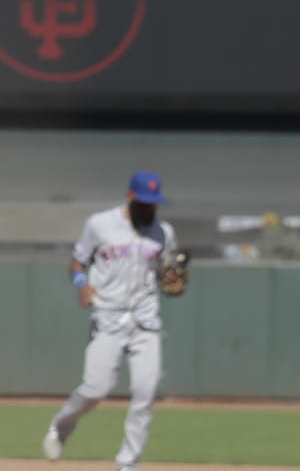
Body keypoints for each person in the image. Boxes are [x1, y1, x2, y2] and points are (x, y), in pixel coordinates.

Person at [43, 171, 181, 471]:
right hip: (108, 316)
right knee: (94, 390)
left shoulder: (164, 233)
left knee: (145, 396)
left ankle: (127, 464)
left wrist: (174, 278)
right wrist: (82, 284)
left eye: (154, 203)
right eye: (145, 202)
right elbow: (77, 262)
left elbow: (170, 274)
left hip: (146, 321)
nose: (150, 208)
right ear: (131, 197)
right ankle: (61, 425)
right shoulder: (99, 224)